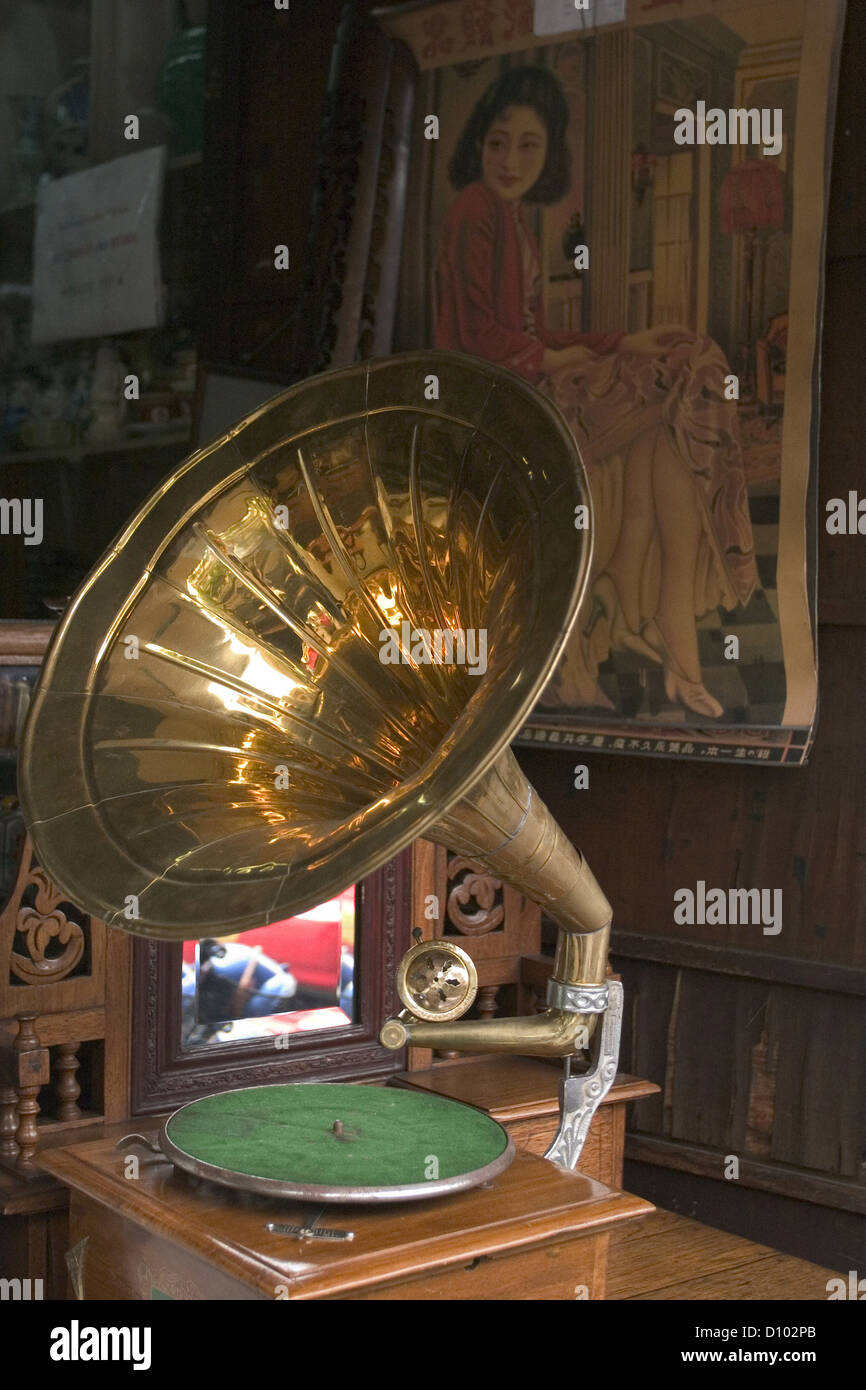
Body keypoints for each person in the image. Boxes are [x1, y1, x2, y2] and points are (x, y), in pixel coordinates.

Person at [435, 65, 758, 717]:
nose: (510, 159)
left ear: (548, 153)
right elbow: (474, 336)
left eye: (529, 145)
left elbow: (534, 329)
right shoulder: (476, 208)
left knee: (673, 386)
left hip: (525, 378)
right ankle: (659, 614)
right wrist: (554, 358)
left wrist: (621, 342)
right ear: (478, 143)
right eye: (498, 142)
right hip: (492, 399)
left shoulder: (514, 218)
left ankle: (637, 592)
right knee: (688, 372)